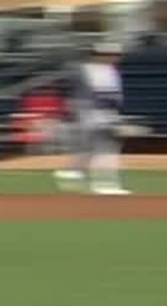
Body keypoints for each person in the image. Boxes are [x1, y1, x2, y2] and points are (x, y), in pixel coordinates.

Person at [54, 41, 128, 195]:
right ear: (98, 55)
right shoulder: (83, 70)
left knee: (102, 147)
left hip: (106, 112)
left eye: (115, 55)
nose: (114, 58)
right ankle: (104, 184)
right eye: (110, 55)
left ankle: (73, 171)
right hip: (89, 111)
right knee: (103, 147)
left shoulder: (111, 71)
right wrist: (75, 112)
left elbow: (115, 96)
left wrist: (116, 115)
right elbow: (76, 94)